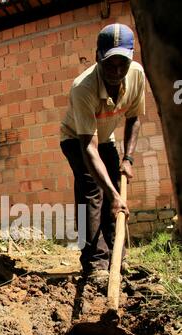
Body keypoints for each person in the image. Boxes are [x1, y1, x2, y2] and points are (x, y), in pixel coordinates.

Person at [60, 23, 145, 283]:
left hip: (105, 137)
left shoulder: (136, 75)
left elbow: (134, 119)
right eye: (110, 64)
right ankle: (94, 263)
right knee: (92, 193)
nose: (117, 72)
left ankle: (116, 258)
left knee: (112, 198)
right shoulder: (82, 87)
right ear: (97, 56)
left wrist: (127, 159)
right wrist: (114, 194)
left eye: (123, 64)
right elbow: (88, 146)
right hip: (78, 139)